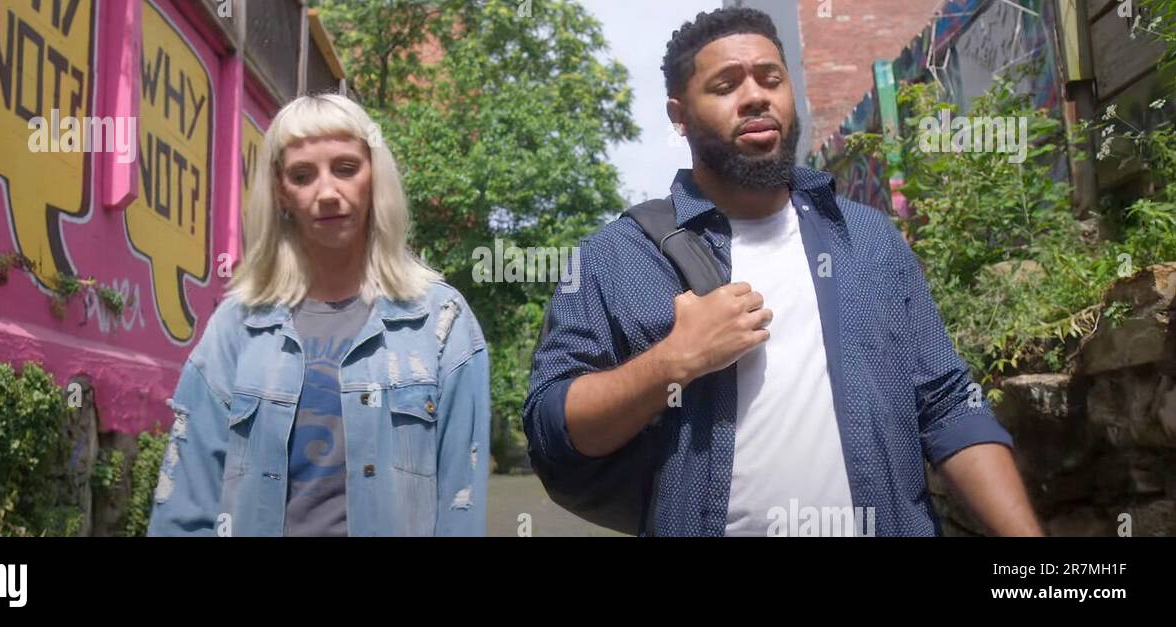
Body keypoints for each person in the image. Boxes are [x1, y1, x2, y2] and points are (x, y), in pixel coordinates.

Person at [523, 7, 1042, 537]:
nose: (755, 96)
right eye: (725, 85)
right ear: (679, 115)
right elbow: (551, 427)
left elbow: (949, 405)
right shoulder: (620, 256)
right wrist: (672, 363)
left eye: (771, 78)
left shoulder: (868, 239)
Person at [149, 94, 490, 537]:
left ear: (375, 177)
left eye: (346, 168)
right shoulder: (238, 327)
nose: (328, 193)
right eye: (302, 175)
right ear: (280, 191)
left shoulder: (440, 323)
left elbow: (461, 507)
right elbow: (183, 506)